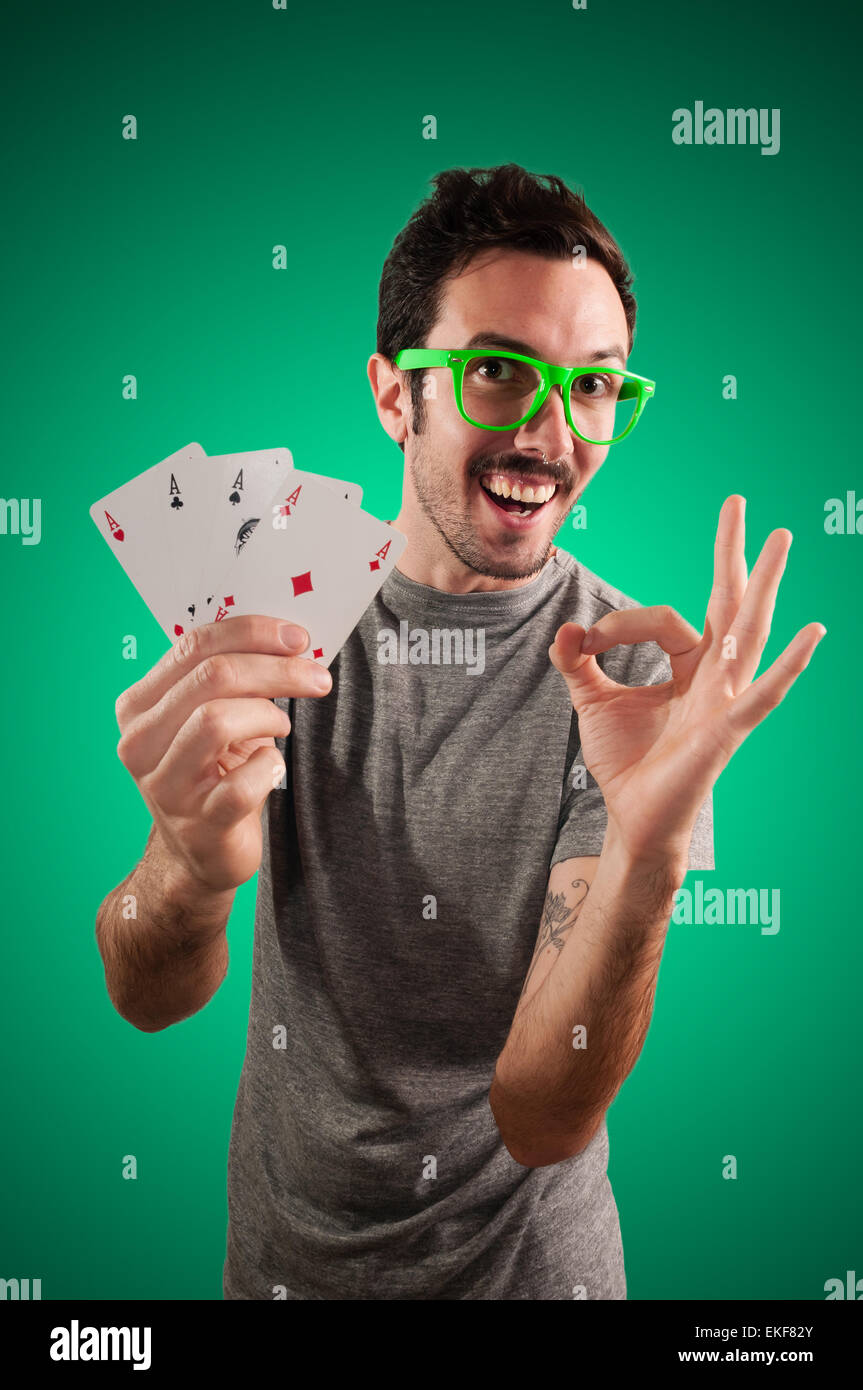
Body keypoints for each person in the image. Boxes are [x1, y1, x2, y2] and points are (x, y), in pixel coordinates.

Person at [95, 164, 825, 1300]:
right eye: (498, 371)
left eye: (593, 388)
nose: (549, 432)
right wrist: (183, 865)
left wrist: (647, 854)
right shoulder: (267, 624)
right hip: (281, 1267)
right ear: (396, 394)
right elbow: (148, 993)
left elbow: (540, 1115)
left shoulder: (628, 677)